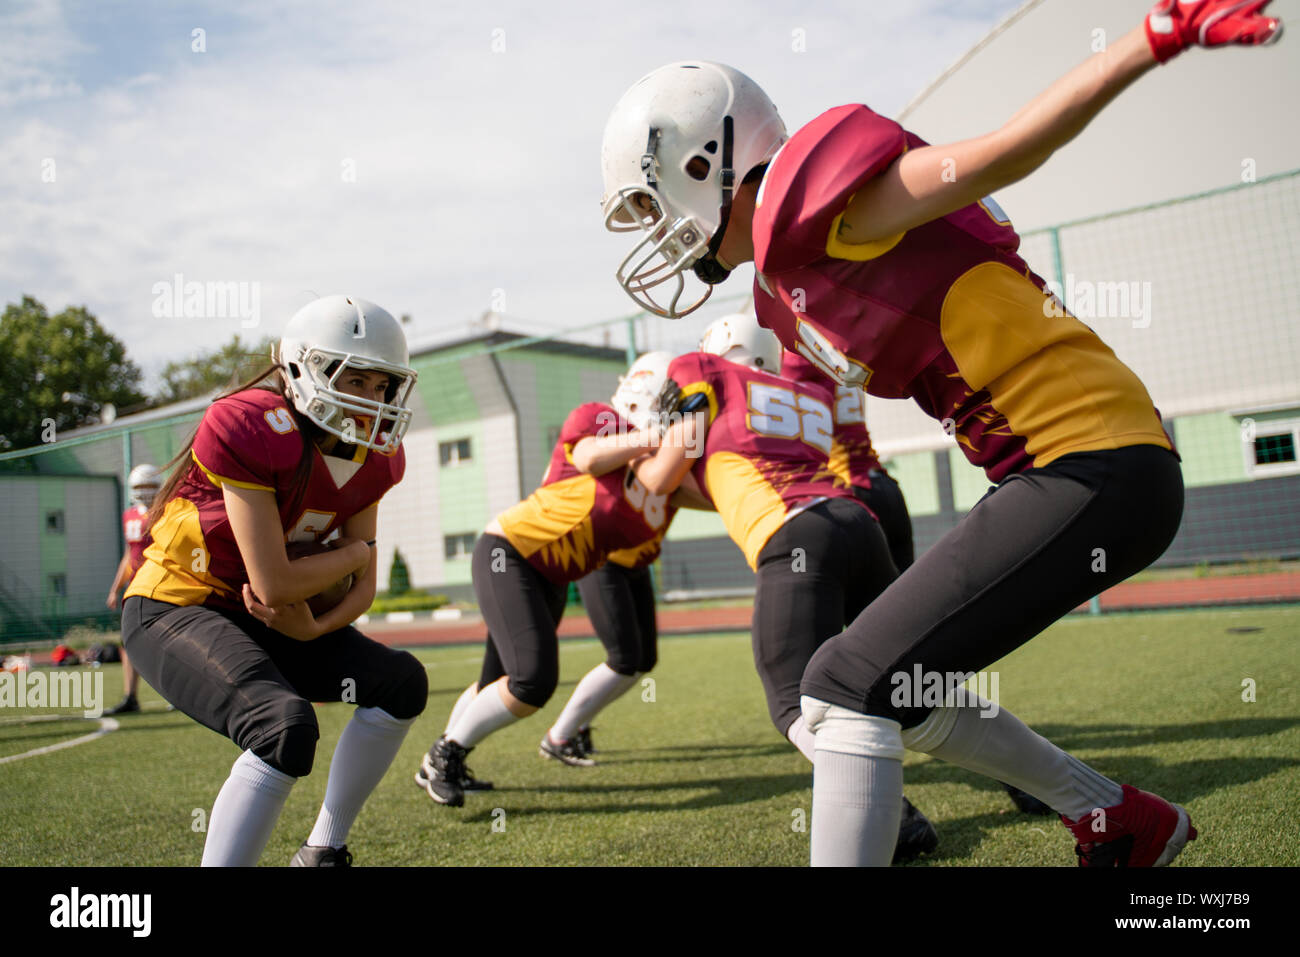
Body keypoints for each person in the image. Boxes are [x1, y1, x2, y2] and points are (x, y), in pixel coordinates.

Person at [598, 3, 1282, 865]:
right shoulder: (781, 282)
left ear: (707, 162)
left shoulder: (823, 205)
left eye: (654, 198)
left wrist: (1155, 40)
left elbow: (1010, 147)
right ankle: (1115, 817)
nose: (657, 226)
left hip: (1092, 460)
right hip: (1050, 469)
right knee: (900, 684)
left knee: (842, 688)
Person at [121, 295, 425, 867]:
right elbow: (277, 582)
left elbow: (363, 591)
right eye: (353, 378)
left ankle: (322, 851)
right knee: (282, 726)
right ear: (299, 369)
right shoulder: (250, 424)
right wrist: (355, 551)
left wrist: (313, 631)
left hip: (274, 621)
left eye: (382, 385)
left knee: (401, 682)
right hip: (178, 606)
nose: (370, 399)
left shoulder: (375, 455)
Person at [630, 313, 937, 863]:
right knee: (913, 678)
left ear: (721, 351)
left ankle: (896, 817)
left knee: (791, 699)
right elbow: (736, 467)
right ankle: (1031, 780)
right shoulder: (802, 395)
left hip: (798, 536)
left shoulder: (708, 374)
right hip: (858, 521)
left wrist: (644, 449)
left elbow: (656, 482)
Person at [415, 355, 679, 807]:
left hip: (552, 574)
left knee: (495, 679)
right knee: (532, 679)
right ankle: (447, 753)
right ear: (646, 392)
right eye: (670, 402)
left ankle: (436, 761)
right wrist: (654, 436)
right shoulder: (601, 419)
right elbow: (591, 457)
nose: (676, 414)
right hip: (510, 552)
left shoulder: (655, 463)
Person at [104, 463, 161, 715]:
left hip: (160, 583)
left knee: (164, 641)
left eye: (149, 486)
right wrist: (115, 588)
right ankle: (130, 696)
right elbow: (130, 555)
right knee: (128, 641)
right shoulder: (129, 515)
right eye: (140, 486)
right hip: (135, 586)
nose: (145, 492)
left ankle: (179, 694)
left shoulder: (167, 511)